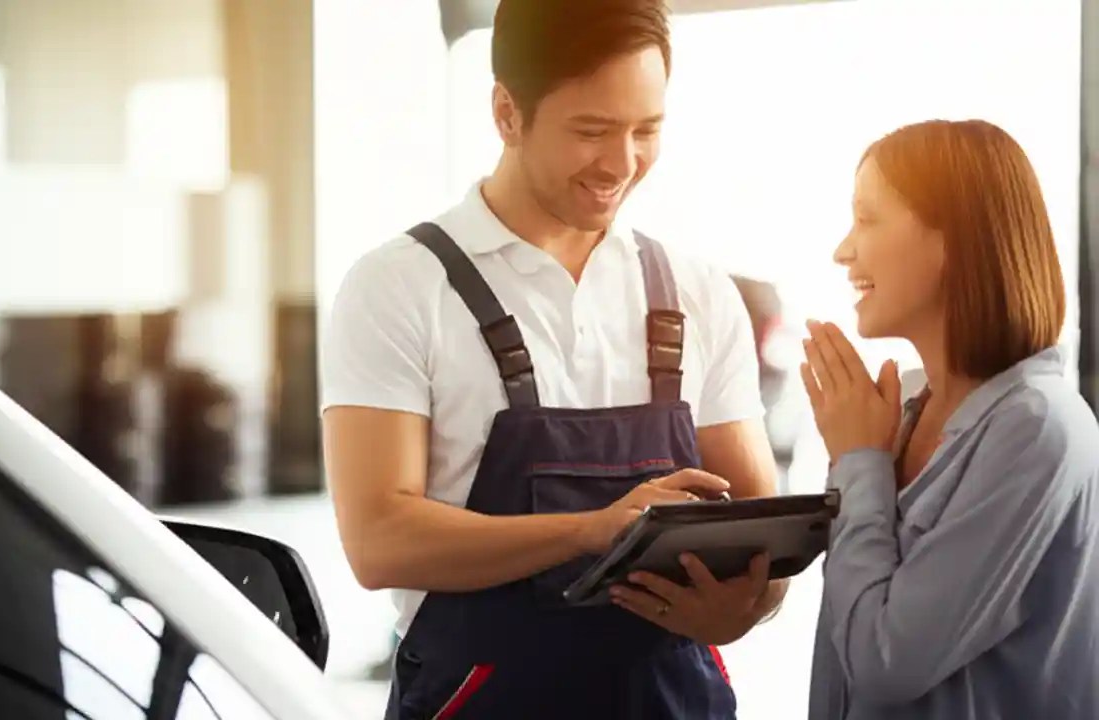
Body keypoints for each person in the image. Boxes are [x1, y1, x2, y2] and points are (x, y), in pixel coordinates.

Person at [321, 1, 787, 717]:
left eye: (647, 130)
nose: (622, 163)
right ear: (507, 113)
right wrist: (592, 530)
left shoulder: (695, 291)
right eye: (591, 131)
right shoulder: (399, 286)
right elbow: (379, 539)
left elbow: (764, 533)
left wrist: (745, 610)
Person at [802, 119, 1099, 719]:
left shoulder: (1036, 427)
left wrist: (858, 463)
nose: (843, 250)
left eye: (868, 218)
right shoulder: (904, 408)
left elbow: (885, 661)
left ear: (952, 239)